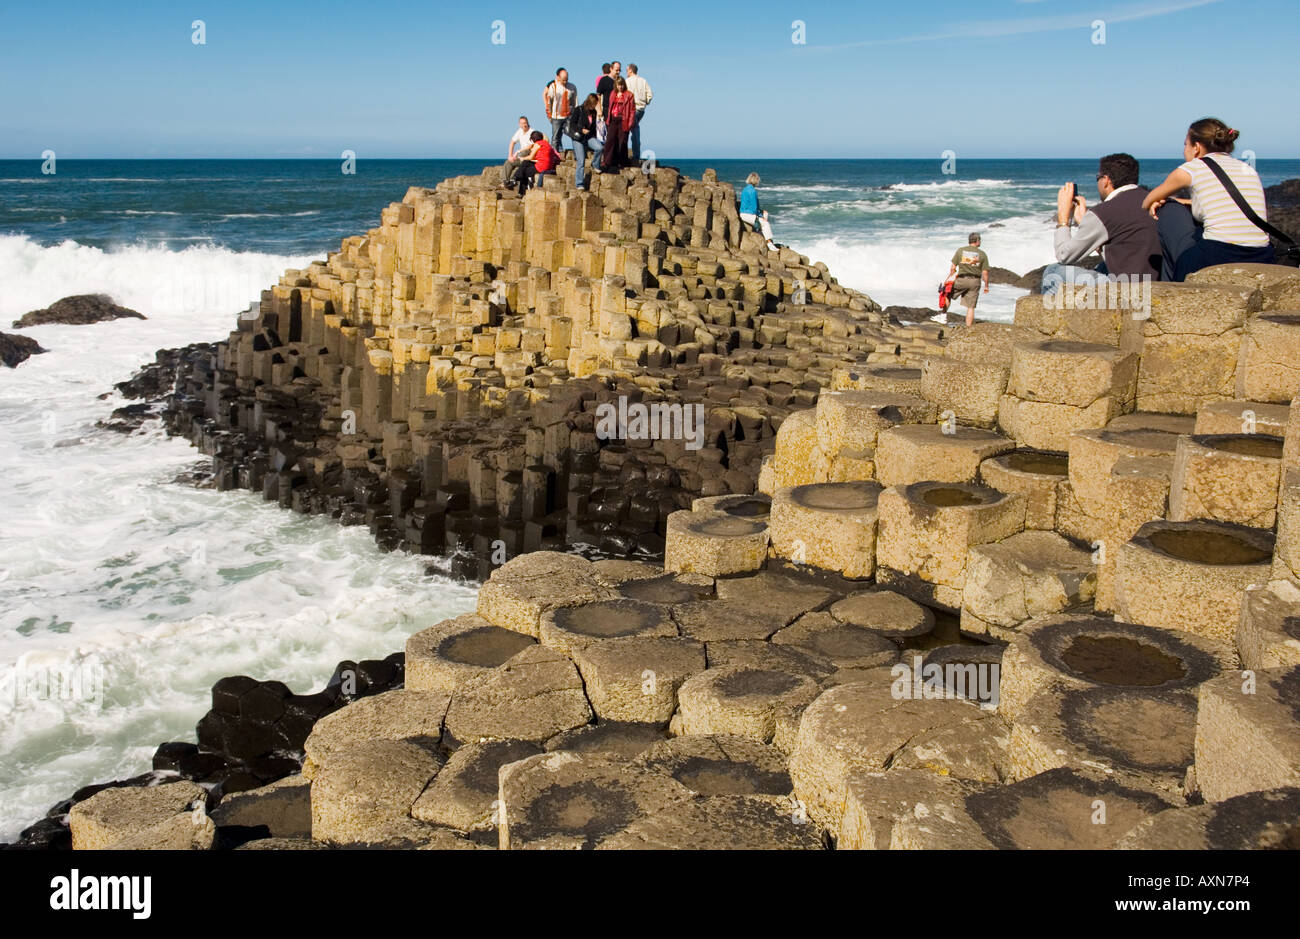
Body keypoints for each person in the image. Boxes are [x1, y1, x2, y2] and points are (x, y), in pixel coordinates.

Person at [1142, 118, 1274, 281]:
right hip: (1262, 254)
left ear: (1196, 147)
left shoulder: (1192, 168)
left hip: (1219, 255)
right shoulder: (1247, 168)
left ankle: (1173, 284)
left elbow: (1147, 201)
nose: (1184, 150)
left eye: (1185, 144)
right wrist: (1185, 202)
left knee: (1168, 207)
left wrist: (1161, 201)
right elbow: (1224, 204)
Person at [1042, 153, 1161, 294]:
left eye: (1097, 178)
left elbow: (1064, 256)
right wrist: (1084, 222)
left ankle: (1048, 309)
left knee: (1053, 271)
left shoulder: (1104, 211)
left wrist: (1063, 219)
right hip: (1154, 285)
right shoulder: (1152, 200)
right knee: (1101, 267)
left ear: (1105, 180)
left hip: (1126, 291)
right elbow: (1124, 247)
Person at [946, 233, 989, 326]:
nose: (980, 242)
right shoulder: (982, 254)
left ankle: (943, 315)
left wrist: (949, 279)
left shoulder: (960, 250)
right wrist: (986, 286)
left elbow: (953, 267)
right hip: (975, 281)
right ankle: (968, 328)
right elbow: (985, 273)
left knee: (947, 294)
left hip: (961, 279)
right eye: (980, 240)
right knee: (971, 307)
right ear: (977, 241)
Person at [567, 93, 604, 190]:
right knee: (581, 160)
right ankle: (579, 183)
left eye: (595, 104)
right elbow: (572, 124)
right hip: (578, 138)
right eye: (593, 104)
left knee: (600, 147)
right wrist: (581, 130)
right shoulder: (578, 109)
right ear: (589, 102)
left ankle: (595, 164)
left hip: (588, 137)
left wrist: (595, 138)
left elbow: (593, 127)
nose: (594, 106)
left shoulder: (594, 112)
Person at [510, 131, 559, 195]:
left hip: (542, 167)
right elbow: (539, 157)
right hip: (548, 166)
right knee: (525, 163)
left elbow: (530, 157)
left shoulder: (537, 144)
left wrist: (522, 158)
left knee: (524, 171)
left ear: (532, 139)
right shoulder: (546, 144)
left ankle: (520, 189)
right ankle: (516, 179)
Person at [602, 77, 636, 172]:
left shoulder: (629, 95)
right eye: (618, 85)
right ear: (616, 85)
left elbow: (632, 110)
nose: (620, 87)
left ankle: (621, 162)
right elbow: (610, 107)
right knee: (610, 140)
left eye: (621, 85)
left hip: (623, 120)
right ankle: (607, 161)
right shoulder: (613, 93)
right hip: (613, 119)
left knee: (622, 142)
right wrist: (608, 119)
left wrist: (630, 123)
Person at [738, 172, 777, 252]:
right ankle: (769, 243)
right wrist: (760, 216)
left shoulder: (745, 189)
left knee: (765, 213)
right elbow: (754, 208)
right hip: (748, 215)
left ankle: (762, 233)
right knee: (765, 223)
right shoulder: (753, 191)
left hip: (743, 213)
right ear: (756, 180)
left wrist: (761, 212)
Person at [624, 64, 653, 163]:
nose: (626, 72)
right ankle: (635, 153)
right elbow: (650, 94)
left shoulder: (627, 81)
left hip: (632, 109)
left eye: (627, 70)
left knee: (633, 131)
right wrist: (646, 102)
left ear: (630, 70)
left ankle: (635, 155)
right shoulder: (643, 81)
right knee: (635, 129)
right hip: (641, 109)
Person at [544, 68, 576, 151]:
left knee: (572, 133)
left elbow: (575, 101)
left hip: (569, 115)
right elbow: (549, 101)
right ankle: (555, 154)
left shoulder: (572, 87)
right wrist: (549, 114)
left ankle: (577, 152)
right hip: (556, 116)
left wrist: (575, 114)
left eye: (566, 79)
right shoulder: (553, 86)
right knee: (555, 137)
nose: (565, 81)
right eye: (563, 80)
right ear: (558, 77)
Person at [500, 116, 532, 187]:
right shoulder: (520, 131)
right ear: (519, 124)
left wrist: (518, 151)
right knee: (508, 162)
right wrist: (510, 155)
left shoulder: (532, 132)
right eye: (522, 123)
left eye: (525, 123)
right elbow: (512, 142)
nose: (524, 125)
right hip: (520, 154)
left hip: (528, 154)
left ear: (528, 123)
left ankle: (512, 180)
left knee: (525, 152)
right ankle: (505, 181)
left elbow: (530, 146)